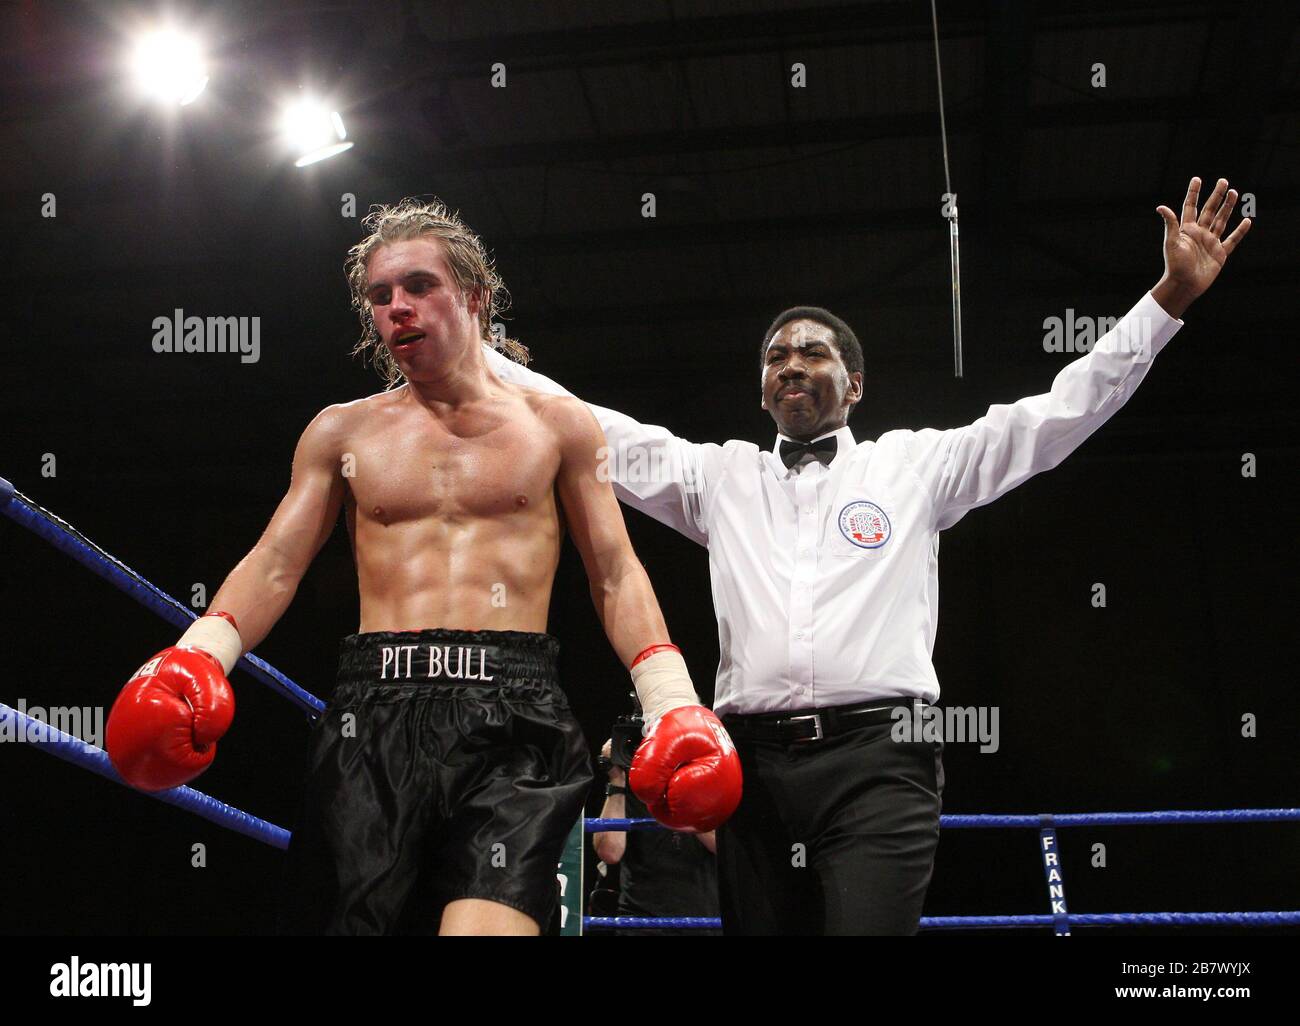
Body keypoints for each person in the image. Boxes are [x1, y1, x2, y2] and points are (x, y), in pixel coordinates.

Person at [485, 177, 1252, 934]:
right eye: (776, 354)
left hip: (882, 762)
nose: (790, 362)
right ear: (761, 389)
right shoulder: (717, 478)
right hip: (748, 766)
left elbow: (1055, 416)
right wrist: (478, 357)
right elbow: (592, 427)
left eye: (812, 353)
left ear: (853, 384)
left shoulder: (915, 467)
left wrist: (1167, 301)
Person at [104, 197, 741, 936]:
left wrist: (671, 700)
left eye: (418, 286)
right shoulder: (341, 432)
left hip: (514, 719)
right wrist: (195, 658)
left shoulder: (557, 427)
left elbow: (614, 572)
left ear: (474, 296)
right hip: (373, 718)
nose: (397, 308)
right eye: (381, 296)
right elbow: (278, 561)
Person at [593, 735, 721, 936]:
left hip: (701, 922)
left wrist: (682, 791)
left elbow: (723, 848)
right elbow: (610, 853)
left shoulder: (706, 784)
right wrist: (617, 780)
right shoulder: (628, 791)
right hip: (640, 923)